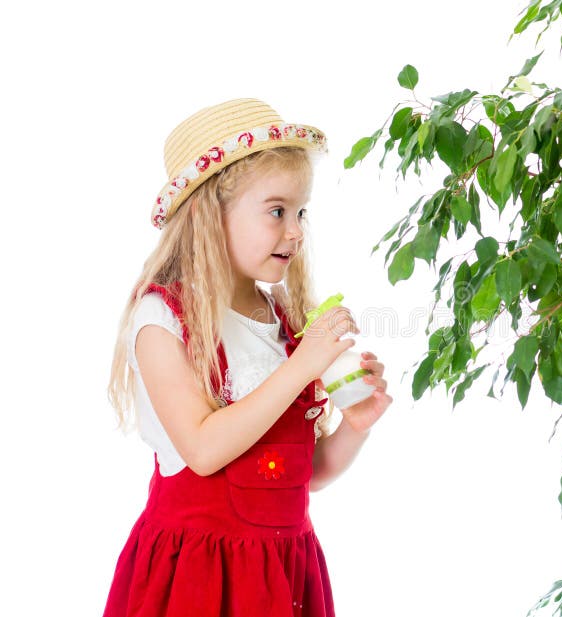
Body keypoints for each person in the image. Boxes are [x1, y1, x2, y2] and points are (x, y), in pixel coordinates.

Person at [102, 98, 392, 617]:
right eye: (277, 211)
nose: (296, 231)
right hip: (199, 577)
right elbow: (203, 449)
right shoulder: (163, 320)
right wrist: (302, 366)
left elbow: (304, 474)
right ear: (207, 215)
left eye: (301, 213)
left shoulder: (280, 318)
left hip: (282, 574)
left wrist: (356, 426)